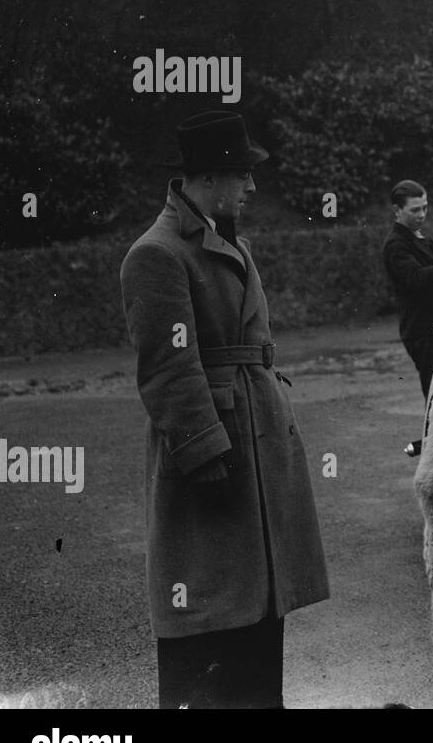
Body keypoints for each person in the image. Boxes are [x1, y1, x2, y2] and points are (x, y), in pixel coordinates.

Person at [119, 110, 329, 708]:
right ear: (210, 177)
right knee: (209, 611)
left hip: (256, 442)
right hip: (218, 454)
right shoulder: (156, 254)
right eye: (244, 175)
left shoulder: (225, 234)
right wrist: (205, 452)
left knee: (258, 613)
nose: (253, 187)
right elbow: (166, 367)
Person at [382, 180, 433, 456]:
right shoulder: (396, 245)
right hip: (422, 331)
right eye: (414, 210)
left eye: (424, 208)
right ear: (397, 211)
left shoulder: (417, 238)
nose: (422, 214)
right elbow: (417, 279)